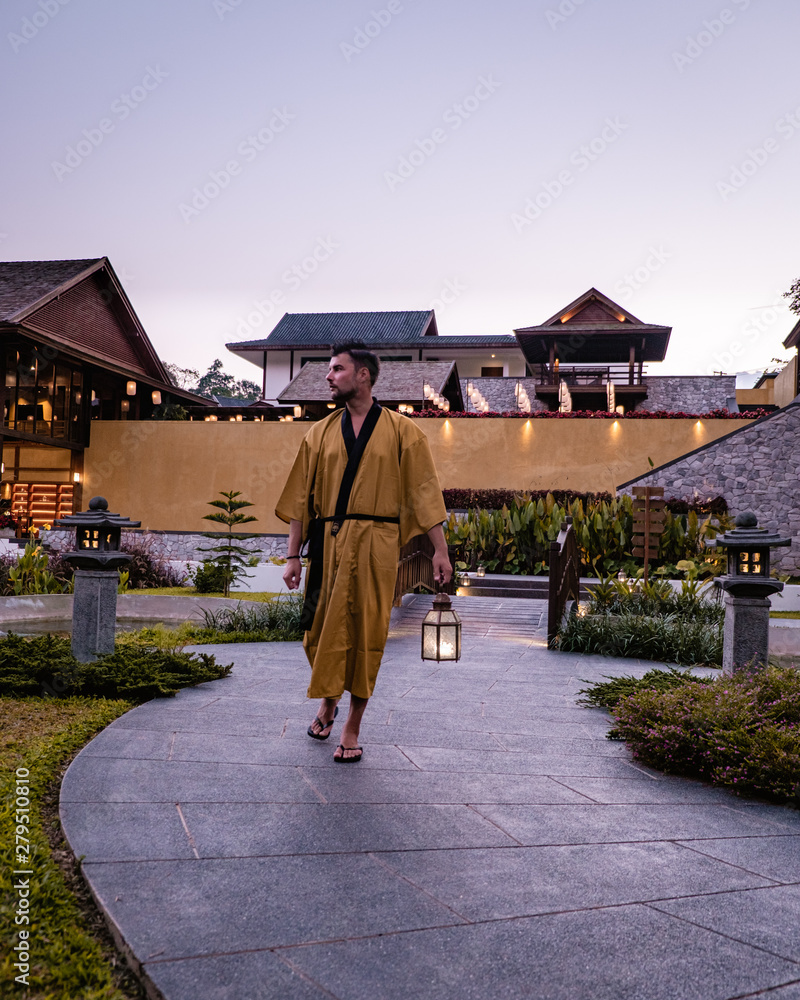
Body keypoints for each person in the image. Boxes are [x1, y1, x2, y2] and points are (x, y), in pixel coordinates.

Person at [277, 342, 452, 762]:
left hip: (377, 544)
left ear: (363, 376)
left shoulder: (403, 432)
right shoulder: (317, 433)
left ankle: (351, 725)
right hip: (328, 544)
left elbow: (424, 493)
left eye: (337, 369)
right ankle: (329, 699)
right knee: (316, 634)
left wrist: (440, 552)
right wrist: (292, 555)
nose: (328, 376)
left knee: (365, 636)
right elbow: (301, 498)